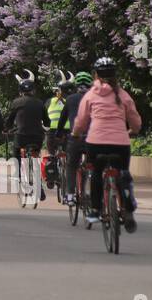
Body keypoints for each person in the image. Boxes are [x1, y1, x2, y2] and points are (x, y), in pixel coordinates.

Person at [72, 58, 142, 231]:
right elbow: (135, 120)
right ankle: (128, 210)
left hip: (96, 143)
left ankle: (95, 210)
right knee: (123, 175)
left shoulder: (90, 95)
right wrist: (133, 130)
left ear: (95, 75)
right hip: (120, 143)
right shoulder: (123, 95)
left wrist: (75, 133)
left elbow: (81, 121)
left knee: (96, 173)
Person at [5, 74, 50, 200]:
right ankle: (39, 188)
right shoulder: (40, 103)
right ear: (33, 91)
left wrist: (6, 128)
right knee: (36, 157)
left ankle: (18, 177)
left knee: (16, 153)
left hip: (21, 136)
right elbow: (47, 122)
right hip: (37, 137)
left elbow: (10, 120)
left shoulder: (16, 102)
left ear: (20, 91)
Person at [59, 72, 93, 204]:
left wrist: (58, 133)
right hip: (93, 138)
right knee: (93, 165)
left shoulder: (71, 99)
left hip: (76, 137)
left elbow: (62, 119)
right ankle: (91, 193)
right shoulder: (95, 98)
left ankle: (70, 195)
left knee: (71, 165)